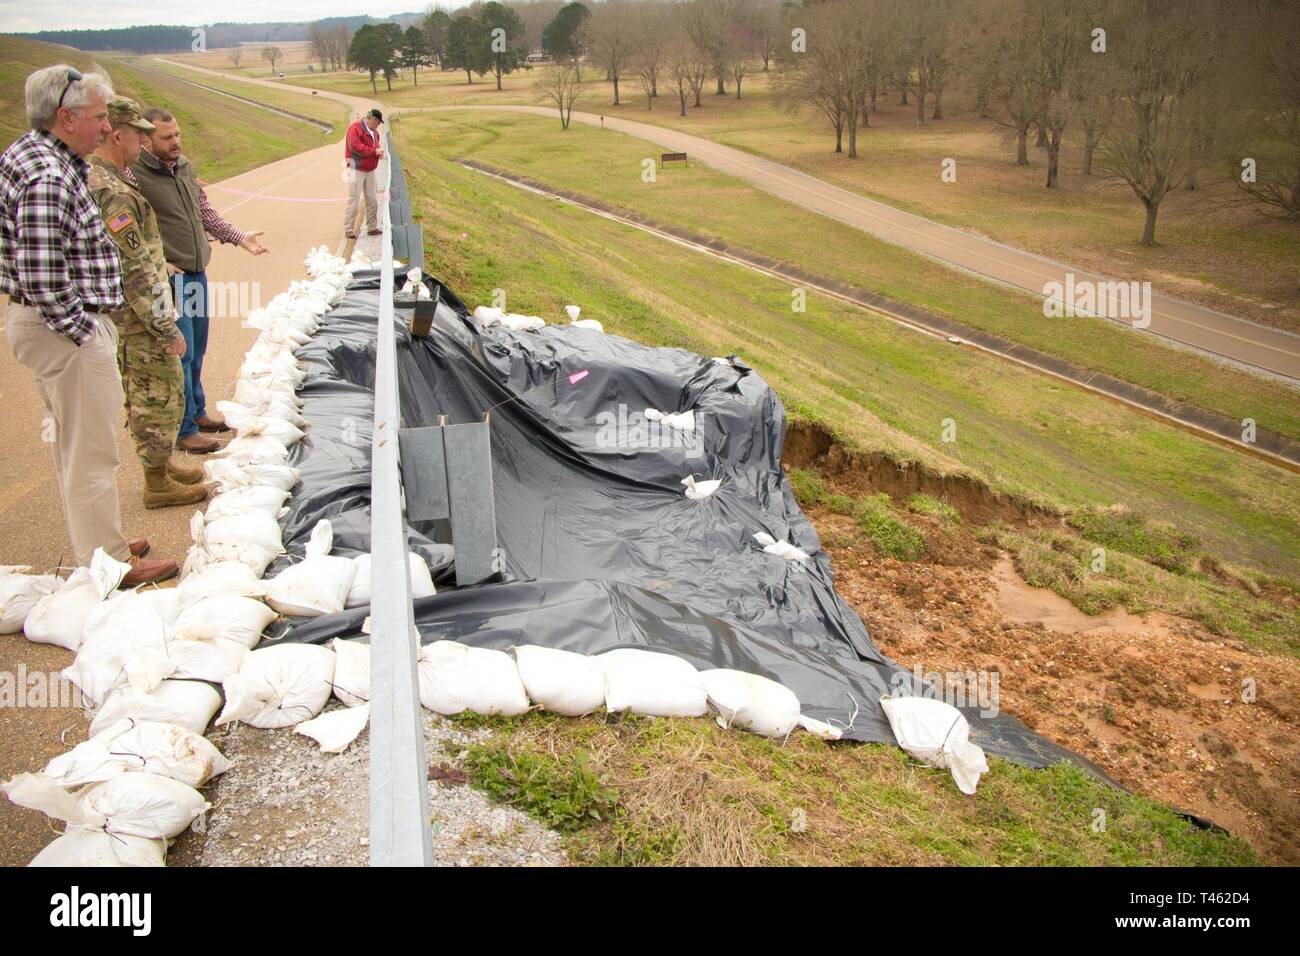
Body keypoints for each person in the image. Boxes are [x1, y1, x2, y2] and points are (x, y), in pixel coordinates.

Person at [1, 66, 176, 585]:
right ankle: (109, 563)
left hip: (53, 327)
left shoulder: (33, 155)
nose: (106, 129)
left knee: (74, 448)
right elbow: (41, 272)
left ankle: (104, 543)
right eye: (100, 118)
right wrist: (81, 332)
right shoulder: (48, 178)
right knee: (92, 451)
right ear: (66, 117)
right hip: (65, 331)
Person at [88, 98, 208, 510]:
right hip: (139, 318)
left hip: (143, 311)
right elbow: (135, 267)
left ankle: (160, 468)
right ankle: (156, 484)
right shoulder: (111, 190)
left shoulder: (119, 180)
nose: (143, 141)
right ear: (117, 134)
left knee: (164, 389)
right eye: (139, 133)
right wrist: (165, 324)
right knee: (155, 395)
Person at [131, 108, 268, 454]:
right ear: (147, 139)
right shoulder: (134, 175)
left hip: (195, 275)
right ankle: (184, 428)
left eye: (177, 134)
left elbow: (203, 211)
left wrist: (238, 237)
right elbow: (129, 229)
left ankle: (198, 411)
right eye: (167, 137)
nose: (175, 142)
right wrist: (159, 262)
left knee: (198, 349)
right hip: (168, 280)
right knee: (180, 351)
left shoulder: (185, 167)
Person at [342, 108, 385, 240]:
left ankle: (372, 227)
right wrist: (374, 152)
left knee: (372, 199)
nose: (378, 126)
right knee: (354, 199)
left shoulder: (375, 133)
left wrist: (379, 154)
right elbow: (355, 147)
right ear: (373, 120)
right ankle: (349, 230)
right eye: (378, 123)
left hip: (370, 169)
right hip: (356, 168)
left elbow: (374, 149)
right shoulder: (355, 128)